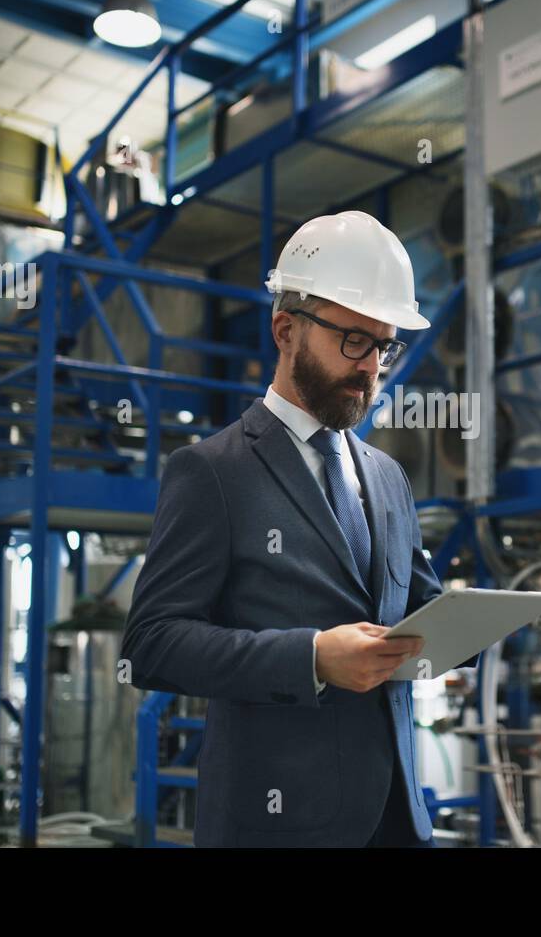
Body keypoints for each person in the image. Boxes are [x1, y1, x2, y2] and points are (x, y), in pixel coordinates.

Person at [121, 210, 474, 847]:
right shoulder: (212, 472)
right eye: (353, 341)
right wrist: (311, 658)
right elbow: (152, 643)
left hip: (396, 818)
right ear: (286, 329)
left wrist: (471, 626)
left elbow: (416, 609)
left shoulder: (388, 476)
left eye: (384, 346)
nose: (371, 366)